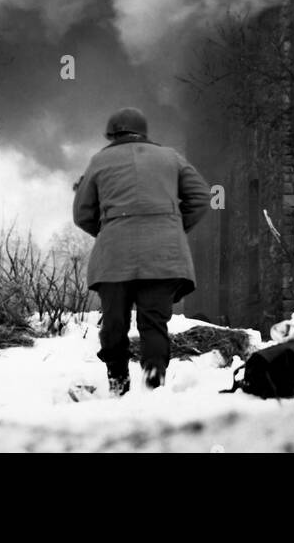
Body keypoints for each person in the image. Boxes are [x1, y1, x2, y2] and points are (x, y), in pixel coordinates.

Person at [73, 107, 211, 396]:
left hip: (114, 258)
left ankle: (118, 382)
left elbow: (82, 213)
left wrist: (110, 231)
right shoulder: (171, 157)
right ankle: (154, 382)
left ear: (112, 133)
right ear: (143, 132)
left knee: (114, 324)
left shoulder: (99, 161)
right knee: (153, 323)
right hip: (163, 256)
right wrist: (171, 227)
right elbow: (200, 197)